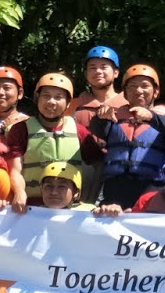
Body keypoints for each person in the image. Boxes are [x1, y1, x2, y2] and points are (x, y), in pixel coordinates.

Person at [93, 65, 165, 209]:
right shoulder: (114, 119)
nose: (138, 91)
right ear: (124, 93)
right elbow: (96, 127)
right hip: (114, 193)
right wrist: (100, 116)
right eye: (132, 87)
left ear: (156, 92)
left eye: (145, 86)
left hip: (152, 194)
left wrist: (151, 117)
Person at [9, 73, 99, 212]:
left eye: (58, 97)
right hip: (31, 207)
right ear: (37, 99)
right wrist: (20, 193)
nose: (51, 102)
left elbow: (99, 166)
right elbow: (15, 169)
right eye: (46, 96)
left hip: (68, 208)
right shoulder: (21, 129)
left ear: (68, 103)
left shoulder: (79, 131)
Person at [71, 46, 125, 202]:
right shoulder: (73, 105)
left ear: (116, 72)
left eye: (104, 67)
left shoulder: (127, 106)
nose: (98, 71)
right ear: (86, 74)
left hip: (116, 172)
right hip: (80, 171)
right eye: (92, 68)